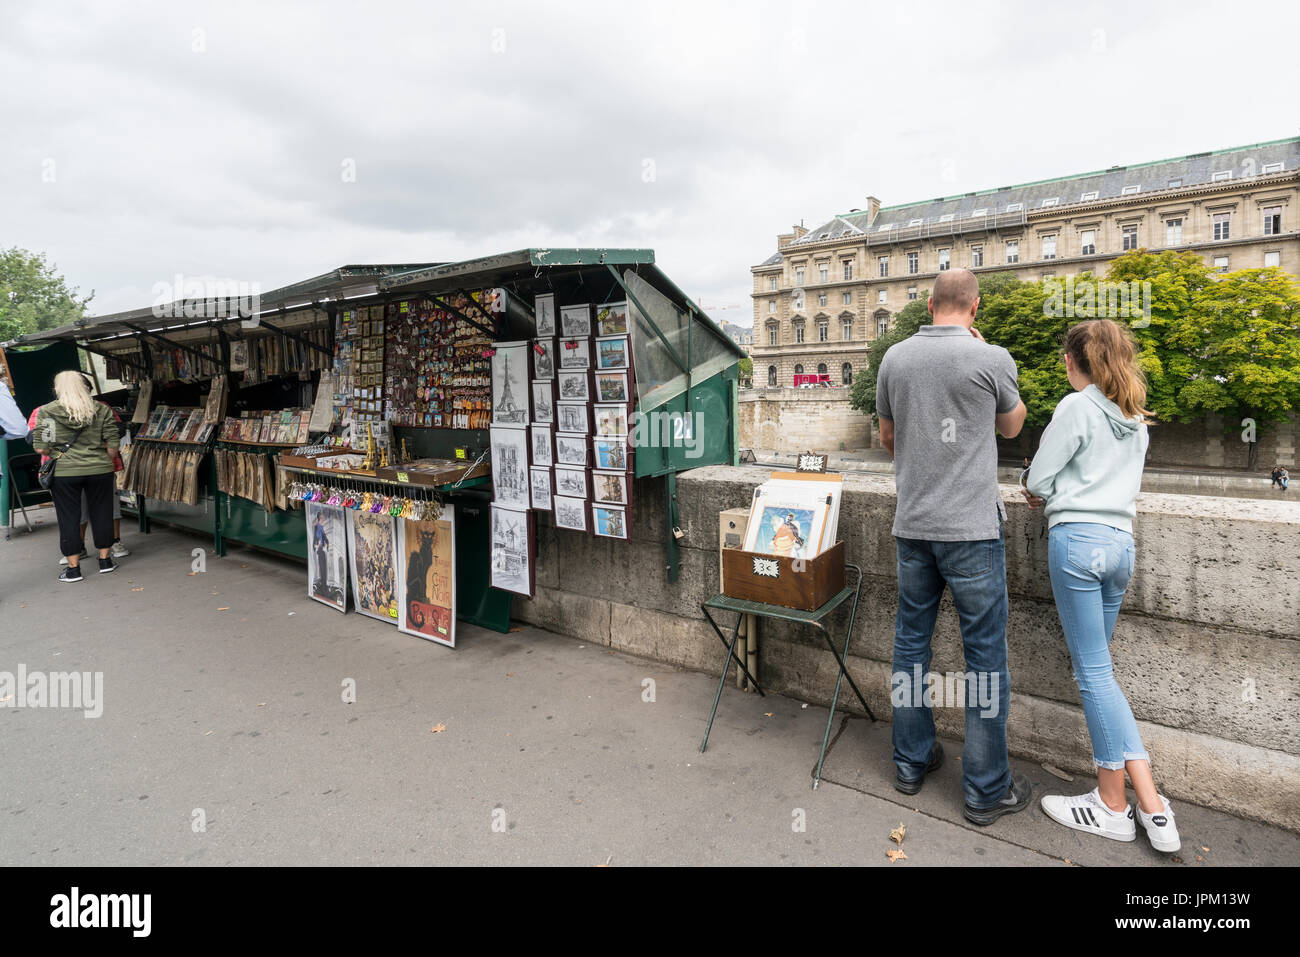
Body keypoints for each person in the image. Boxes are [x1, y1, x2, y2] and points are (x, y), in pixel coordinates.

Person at [876, 268, 1032, 825]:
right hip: (970, 531)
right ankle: (985, 790)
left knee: (910, 645)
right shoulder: (991, 358)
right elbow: (1012, 428)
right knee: (984, 658)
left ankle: (910, 762)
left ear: (929, 304)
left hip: (913, 526)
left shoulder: (894, 359)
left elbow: (888, 438)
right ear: (975, 306)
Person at [1024, 318, 1180, 853]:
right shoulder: (1134, 418)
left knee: (1093, 675)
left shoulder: (1076, 406)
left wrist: (1046, 487)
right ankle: (1151, 804)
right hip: (1121, 545)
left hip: (1078, 543)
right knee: (1100, 674)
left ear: (1073, 362)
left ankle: (1114, 806)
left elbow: (1039, 480)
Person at [28, 374, 130, 562]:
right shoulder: (102, 409)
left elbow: (42, 447)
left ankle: (73, 568)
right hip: (100, 470)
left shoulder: (47, 412)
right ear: (85, 387)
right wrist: (102, 459)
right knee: (103, 513)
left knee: (69, 517)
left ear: (57, 388)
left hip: (64, 473)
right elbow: (113, 443)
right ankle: (105, 561)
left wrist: (59, 455)